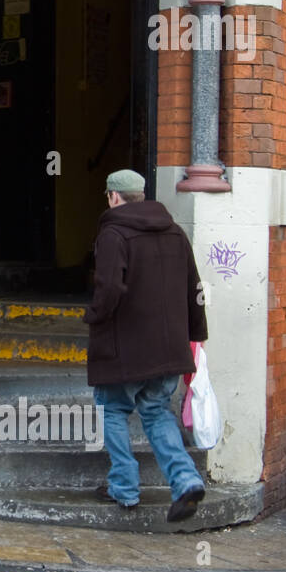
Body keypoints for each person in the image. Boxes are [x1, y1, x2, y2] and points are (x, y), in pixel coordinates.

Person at [85, 169, 209, 522]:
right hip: (168, 350)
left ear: (113, 196)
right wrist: (196, 337)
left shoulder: (113, 233)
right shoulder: (175, 232)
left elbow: (109, 289)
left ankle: (124, 488)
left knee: (114, 411)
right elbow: (194, 289)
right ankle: (185, 480)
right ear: (141, 195)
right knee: (156, 413)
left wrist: (93, 316)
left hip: (124, 347)